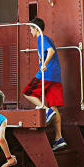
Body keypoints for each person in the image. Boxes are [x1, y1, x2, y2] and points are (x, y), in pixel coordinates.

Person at [23, 17, 67, 151]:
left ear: (36, 28)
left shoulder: (41, 38)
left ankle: (46, 111)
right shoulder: (45, 38)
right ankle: (58, 138)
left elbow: (51, 51)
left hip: (47, 74)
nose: (30, 31)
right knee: (54, 106)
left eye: (30, 28)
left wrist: (44, 64)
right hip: (55, 76)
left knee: (27, 92)